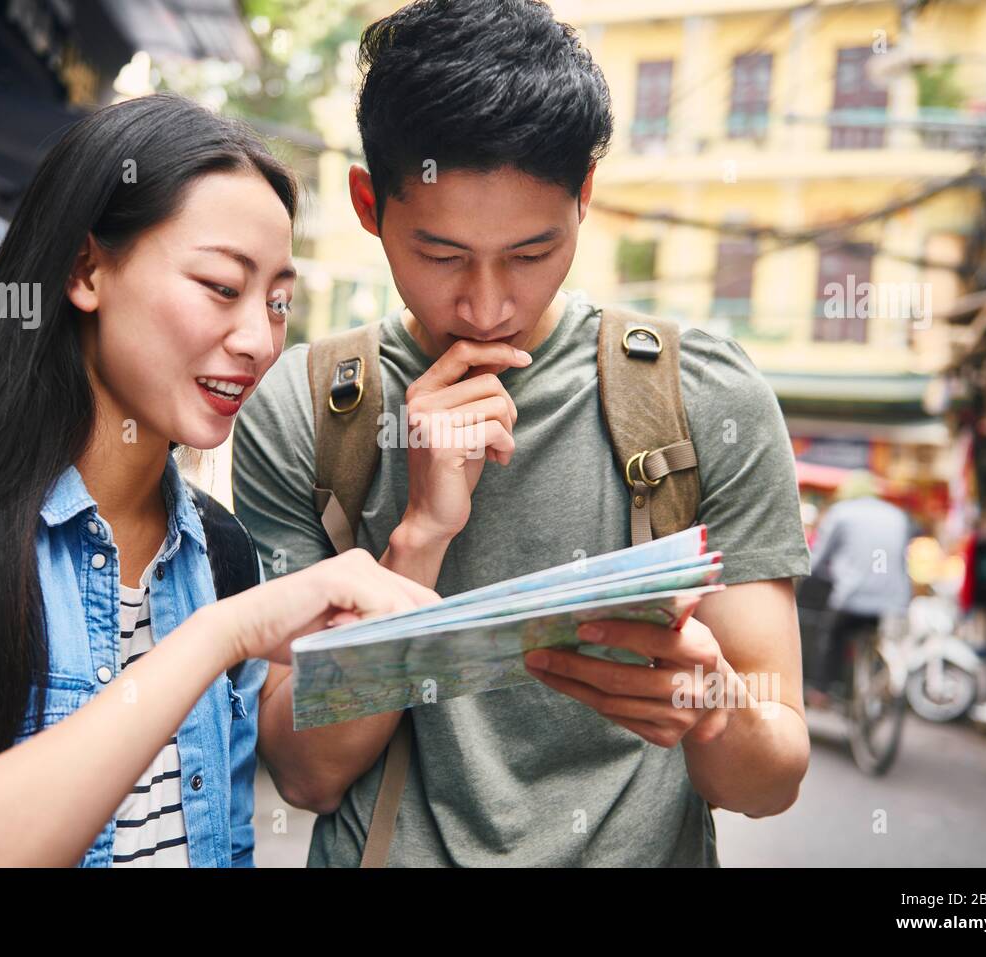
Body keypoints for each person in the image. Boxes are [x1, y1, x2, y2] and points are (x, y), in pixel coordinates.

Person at [0, 93, 437, 868]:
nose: (260, 339)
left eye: (279, 302)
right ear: (86, 269)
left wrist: (423, 531)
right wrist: (217, 637)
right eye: (223, 288)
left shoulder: (217, 553)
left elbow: (309, 775)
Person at [233, 0, 812, 867]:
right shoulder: (307, 410)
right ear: (367, 203)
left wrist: (717, 710)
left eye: (532, 253)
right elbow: (304, 773)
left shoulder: (701, 397)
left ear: (584, 196)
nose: (488, 303)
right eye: (442, 255)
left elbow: (769, 781)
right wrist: (420, 538)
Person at [807, 471, 915, 695]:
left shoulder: (841, 513)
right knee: (875, 636)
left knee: (831, 636)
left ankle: (821, 691)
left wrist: (810, 574)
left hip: (851, 596)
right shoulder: (897, 516)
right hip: (891, 600)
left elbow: (817, 556)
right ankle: (872, 687)